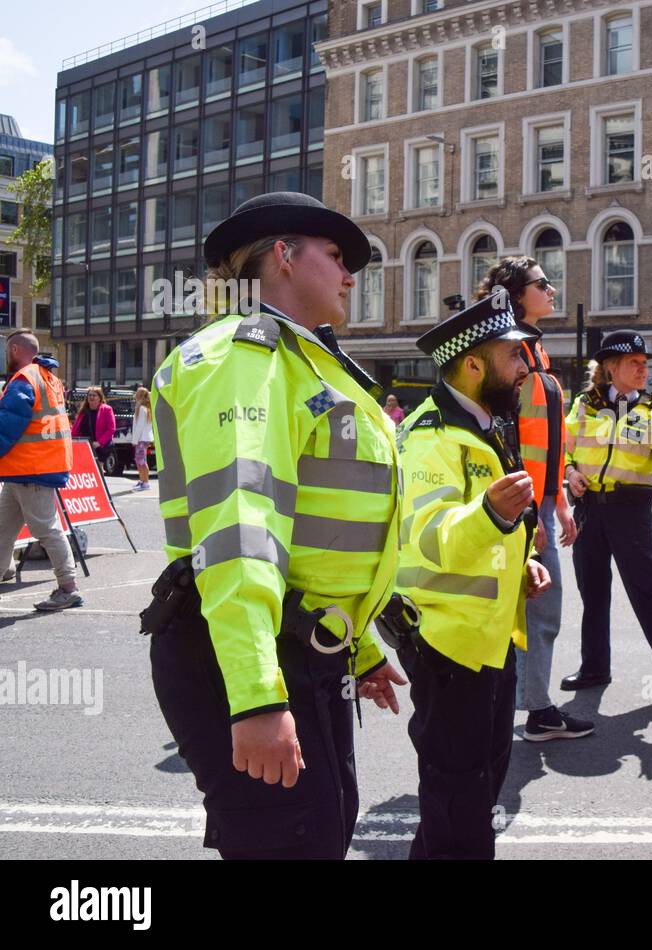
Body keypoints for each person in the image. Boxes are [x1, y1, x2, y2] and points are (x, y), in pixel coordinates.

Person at [145, 192, 407, 860]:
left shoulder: (302, 359)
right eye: (336, 256)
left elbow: (318, 532)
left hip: (299, 644)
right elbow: (241, 531)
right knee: (291, 841)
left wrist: (361, 646)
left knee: (322, 828)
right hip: (247, 647)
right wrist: (258, 699)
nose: (350, 275)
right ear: (284, 257)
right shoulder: (243, 356)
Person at [394, 294, 551, 859]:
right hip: (448, 646)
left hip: (489, 643)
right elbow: (429, 537)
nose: (525, 367)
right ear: (474, 363)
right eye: (514, 355)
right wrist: (491, 515)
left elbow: (490, 536)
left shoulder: (485, 424)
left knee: (469, 794)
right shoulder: (431, 435)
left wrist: (520, 564)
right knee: (459, 806)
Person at [473, 257, 589, 742]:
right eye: (542, 283)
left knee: (532, 604)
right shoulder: (508, 350)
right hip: (518, 502)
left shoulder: (533, 351)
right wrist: (527, 510)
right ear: (516, 294)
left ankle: (525, 704)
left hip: (536, 499)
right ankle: (534, 710)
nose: (553, 288)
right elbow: (504, 434)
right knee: (538, 604)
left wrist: (558, 497)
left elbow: (549, 433)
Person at [561, 330, 652, 708]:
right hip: (589, 507)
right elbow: (568, 448)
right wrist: (571, 474)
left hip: (630, 510)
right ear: (611, 367)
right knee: (592, 592)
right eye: (634, 364)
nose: (642, 369)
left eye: (644, 364)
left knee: (647, 594)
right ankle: (594, 667)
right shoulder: (584, 404)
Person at [0, 329, 83, 610]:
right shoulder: (49, 377)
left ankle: (68, 586)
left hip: (30, 468)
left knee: (46, 529)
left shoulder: (23, 380)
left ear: (13, 351)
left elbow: (7, 426)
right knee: (3, 529)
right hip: (27, 468)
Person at [72, 385, 115, 472]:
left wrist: (99, 443)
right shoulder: (83, 411)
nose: (91, 397)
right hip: (84, 446)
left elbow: (111, 429)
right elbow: (75, 428)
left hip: (99, 448)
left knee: (97, 471)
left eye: (94, 395)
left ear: (100, 398)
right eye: (90, 395)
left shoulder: (107, 409)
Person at [131, 386, 153, 492]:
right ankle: (143, 481)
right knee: (141, 460)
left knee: (141, 461)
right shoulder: (146, 408)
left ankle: (145, 482)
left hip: (141, 439)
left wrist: (134, 440)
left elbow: (139, 426)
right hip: (143, 438)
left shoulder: (141, 408)